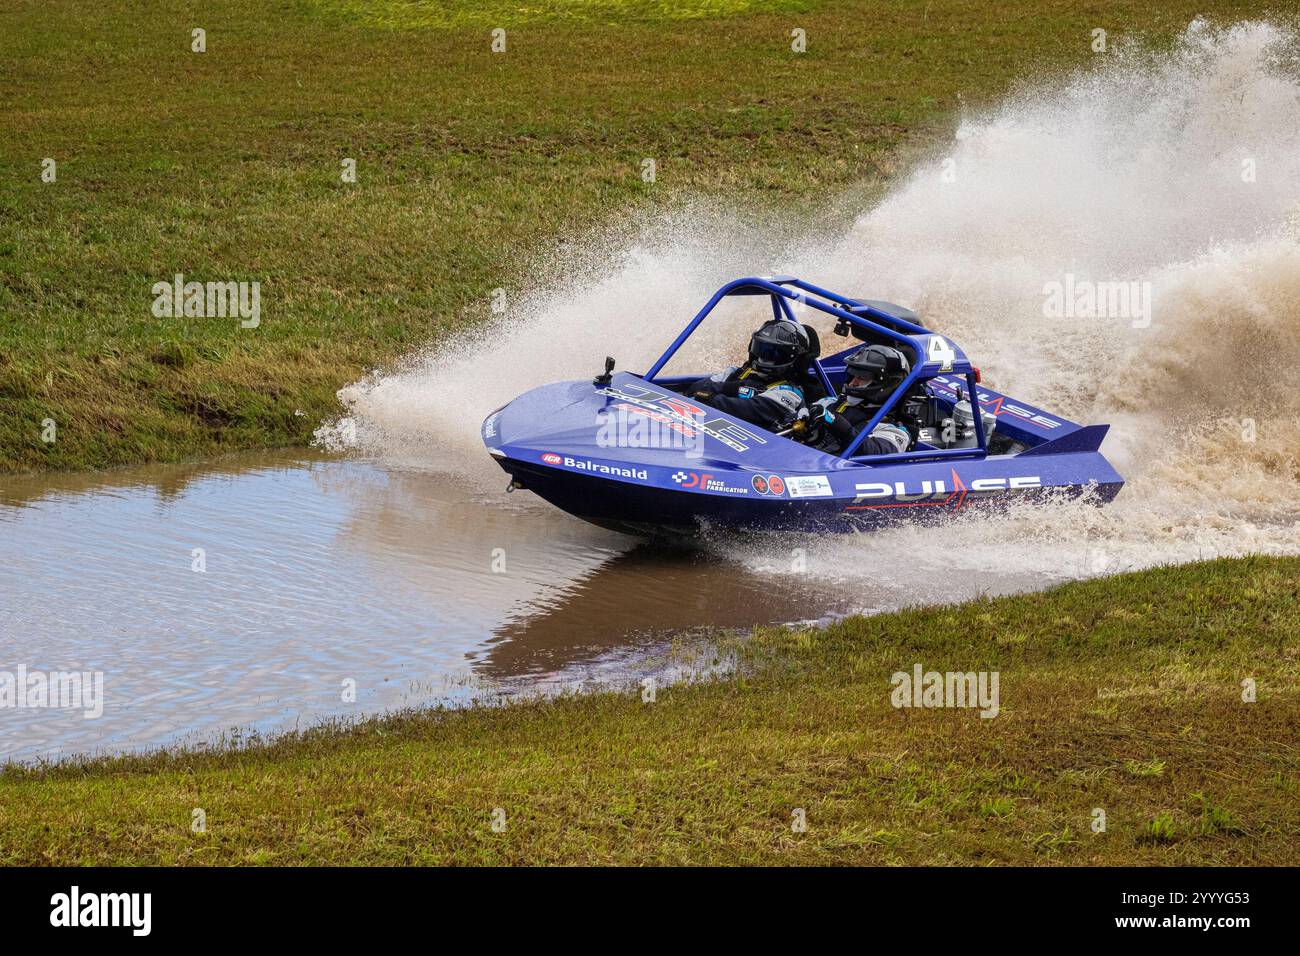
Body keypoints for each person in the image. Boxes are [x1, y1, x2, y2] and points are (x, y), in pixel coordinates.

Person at [686, 319, 821, 431]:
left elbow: (746, 411)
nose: (764, 357)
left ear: (792, 357)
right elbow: (696, 387)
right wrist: (734, 388)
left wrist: (712, 396)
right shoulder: (734, 372)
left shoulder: (790, 393)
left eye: (774, 353)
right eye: (761, 349)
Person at [803, 343, 917, 455]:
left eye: (862, 377)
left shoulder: (896, 431)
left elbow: (873, 451)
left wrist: (836, 423)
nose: (853, 383)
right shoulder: (830, 403)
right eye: (853, 376)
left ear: (887, 384)